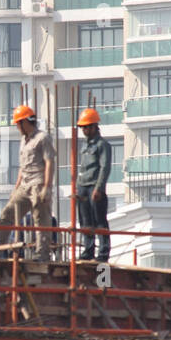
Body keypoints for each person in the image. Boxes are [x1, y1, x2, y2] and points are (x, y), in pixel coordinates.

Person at [0, 104, 55, 261]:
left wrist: (47, 187)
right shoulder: (23, 141)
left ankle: (42, 254)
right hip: (25, 185)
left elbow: (50, 163)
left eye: (18, 124)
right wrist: (16, 189)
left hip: (38, 183)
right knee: (7, 214)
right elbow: (22, 167)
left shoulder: (42, 138)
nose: (17, 127)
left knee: (40, 219)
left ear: (25, 122)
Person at [74, 107, 112, 262]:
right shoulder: (85, 146)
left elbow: (105, 167)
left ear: (94, 126)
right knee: (85, 221)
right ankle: (88, 251)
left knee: (99, 221)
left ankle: (103, 254)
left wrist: (99, 188)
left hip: (94, 187)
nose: (84, 130)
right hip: (83, 186)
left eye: (86, 127)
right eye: (82, 127)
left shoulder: (103, 145)